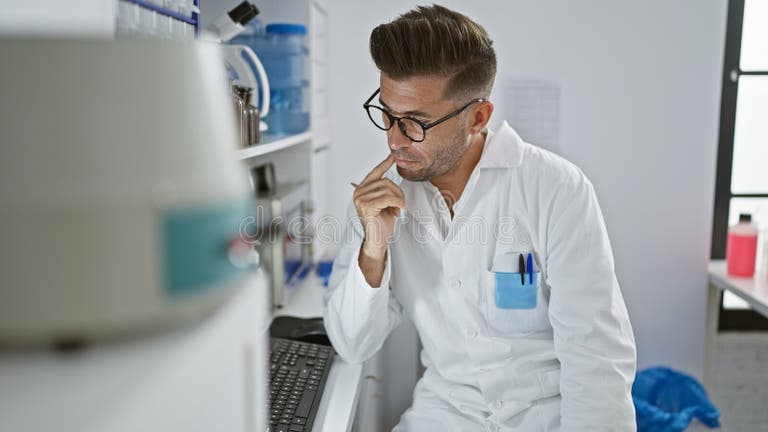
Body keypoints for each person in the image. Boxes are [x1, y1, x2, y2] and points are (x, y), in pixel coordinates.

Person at [323, 5, 637, 431]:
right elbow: (351, 344)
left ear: (478, 117)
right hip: (445, 414)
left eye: (416, 123)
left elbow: (596, 355)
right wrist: (373, 247)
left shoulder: (556, 188)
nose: (395, 139)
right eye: (388, 114)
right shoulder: (380, 201)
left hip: (549, 416)